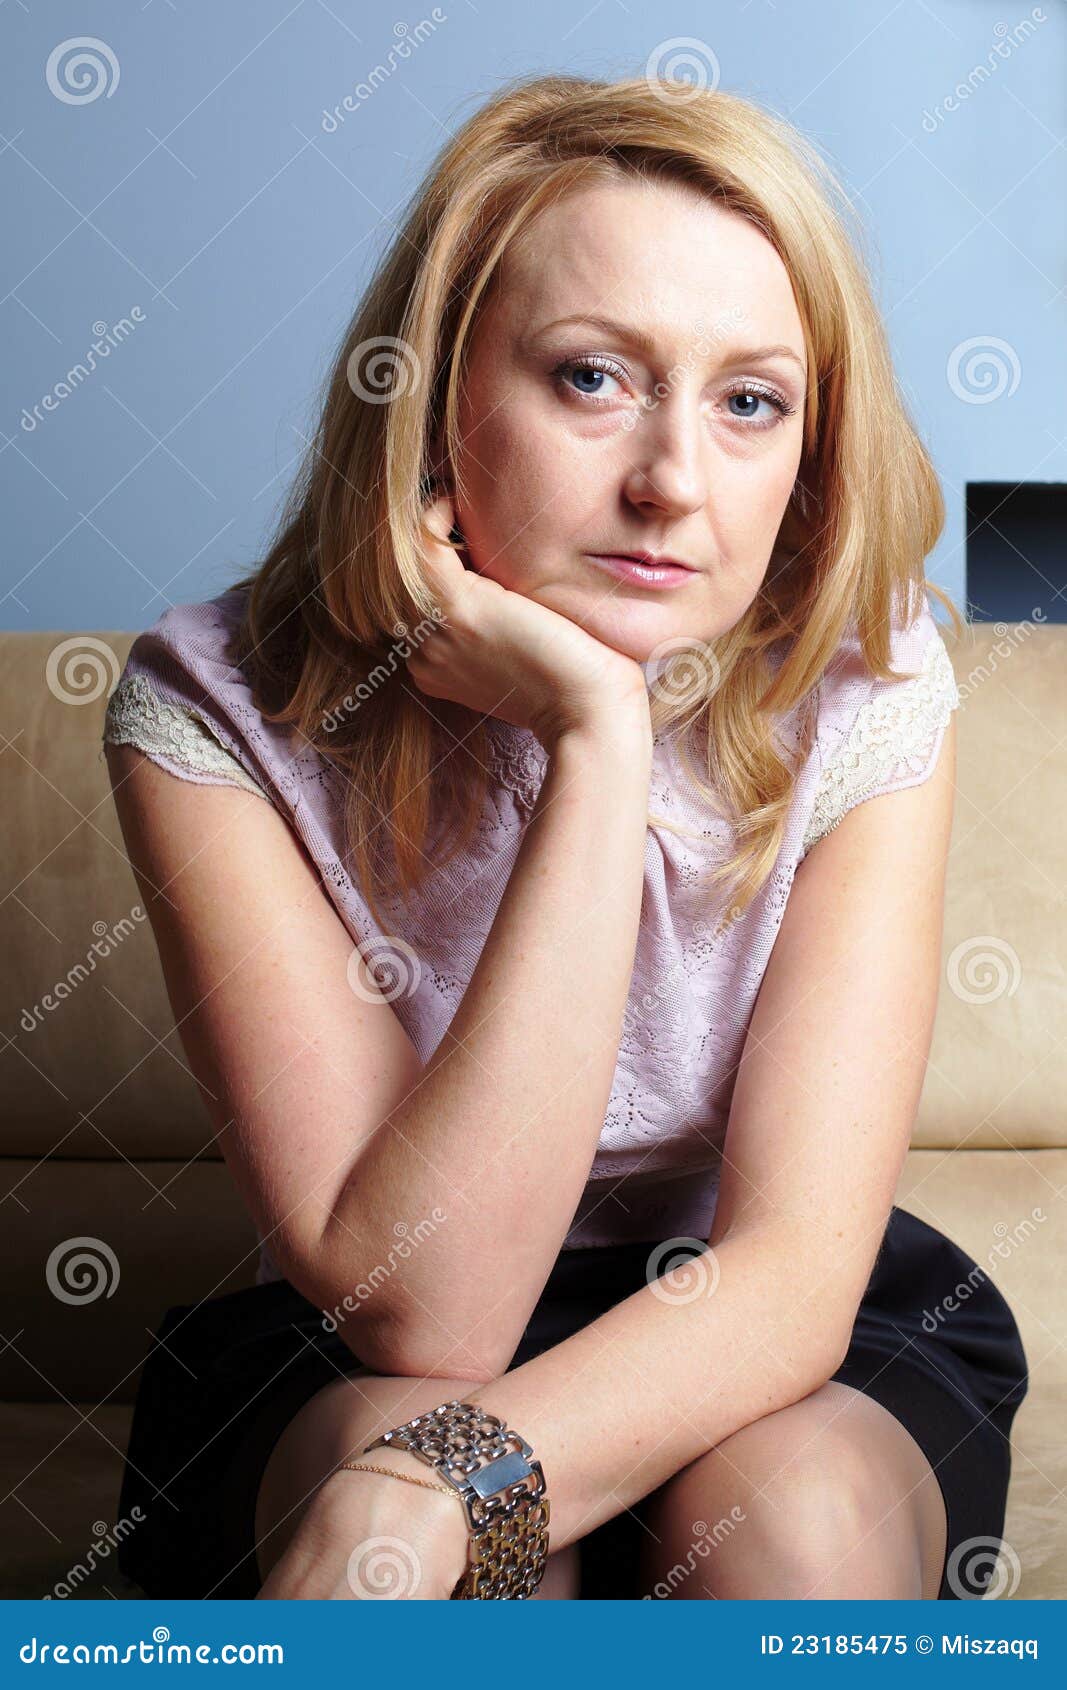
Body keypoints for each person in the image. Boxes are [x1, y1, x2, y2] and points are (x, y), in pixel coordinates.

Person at [101, 73, 1028, 1602]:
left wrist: (454, 1483)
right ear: (434, 396)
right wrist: (595, 745)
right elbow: (436, 1320)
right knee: (449, 1545)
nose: (673, 482)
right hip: (382, 1330)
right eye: (593, 377)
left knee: (786, 1511)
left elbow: (792, 1272)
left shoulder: (872, 685)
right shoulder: (209, 710)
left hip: (751, 1309)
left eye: (751, 402)